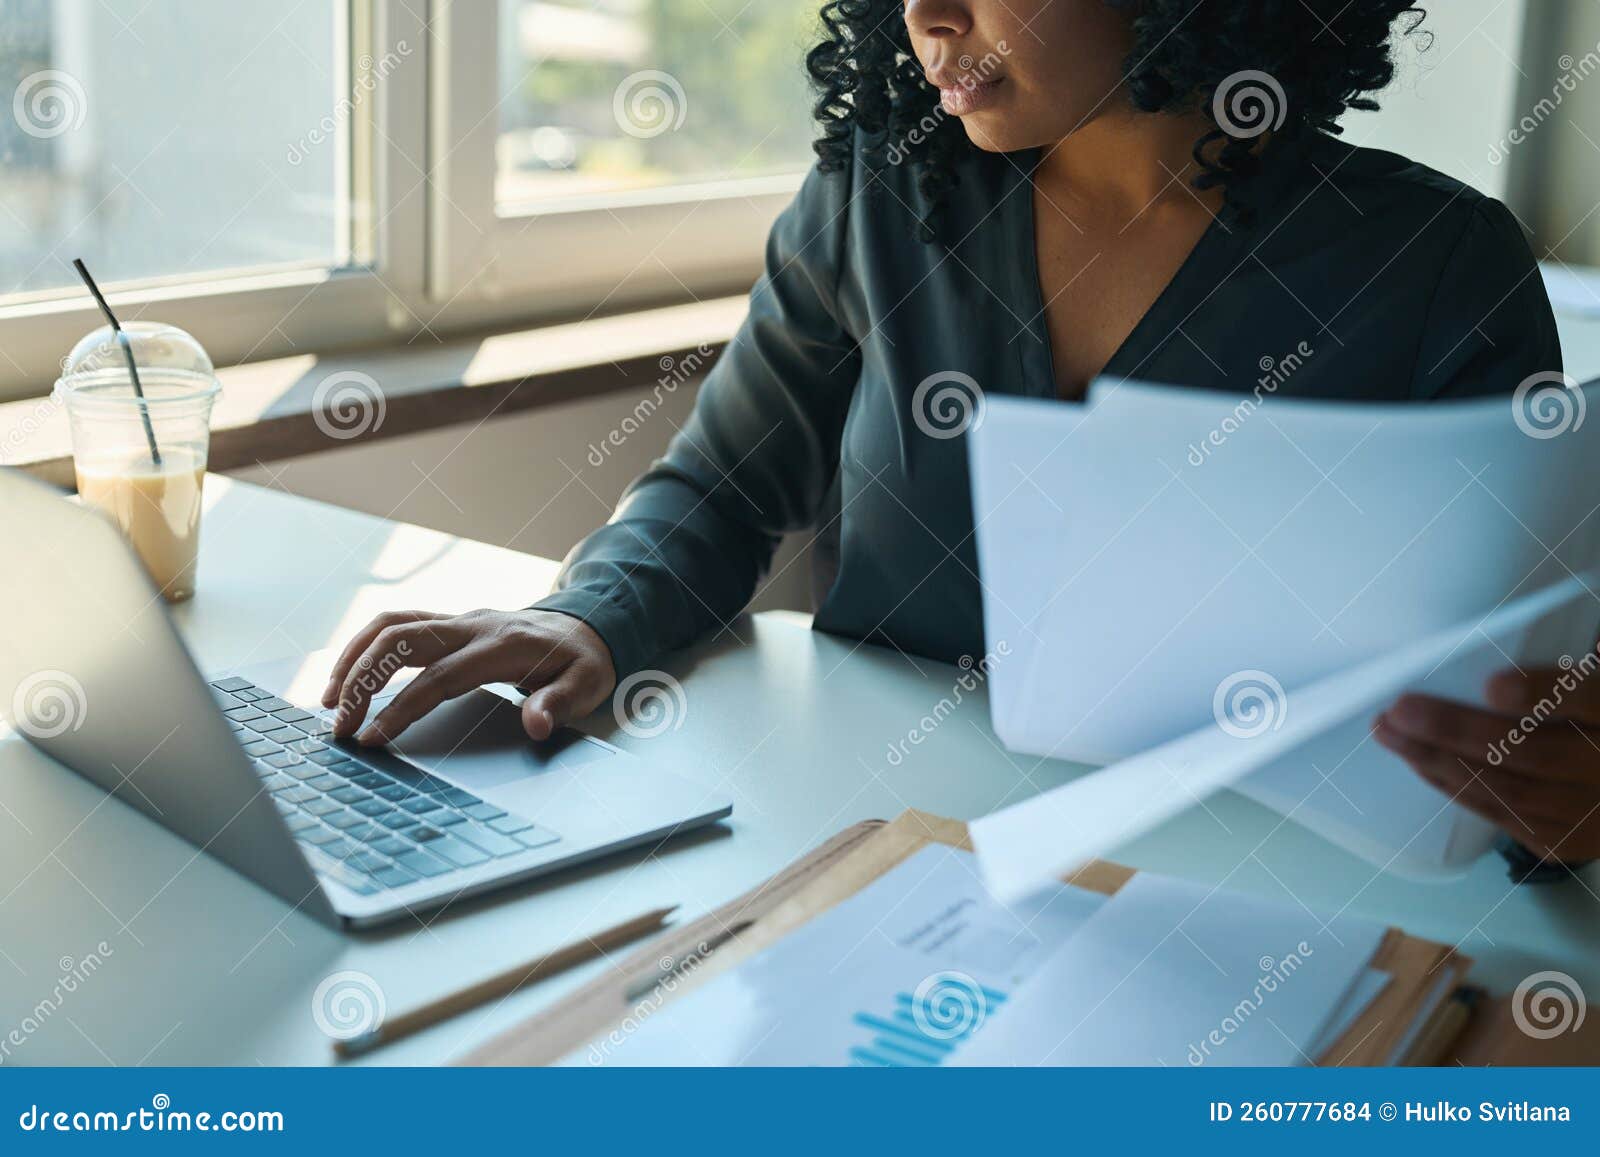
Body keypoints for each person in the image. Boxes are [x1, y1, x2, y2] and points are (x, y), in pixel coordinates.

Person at [323, 1, 1599, 870]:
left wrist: (1572, 797)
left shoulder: (1433, 263)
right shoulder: (885, 191)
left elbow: (1531, 675)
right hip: (872, 844)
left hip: (1260, 895)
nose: (927, 16)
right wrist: (589, 617)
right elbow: (723, 482)